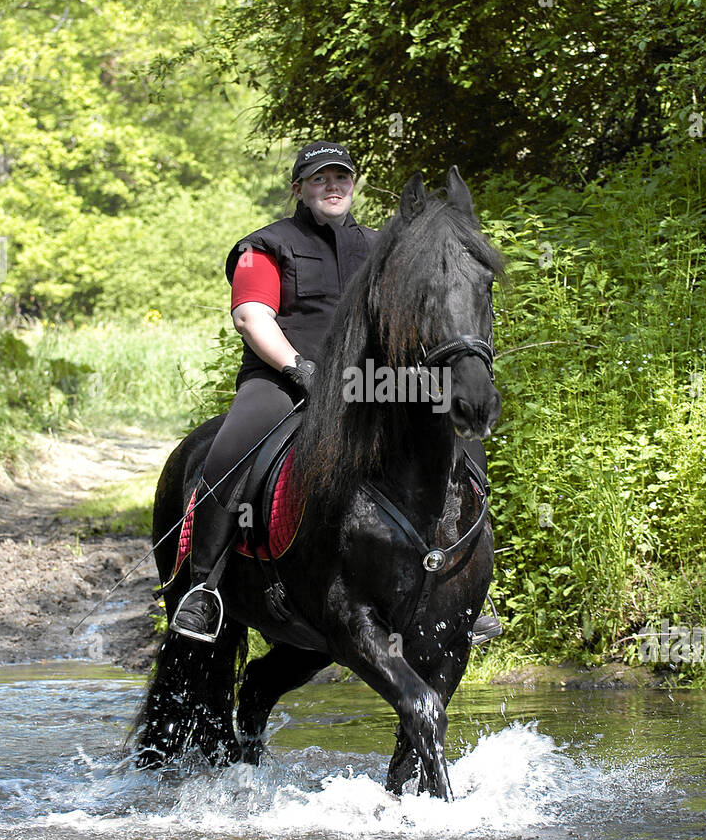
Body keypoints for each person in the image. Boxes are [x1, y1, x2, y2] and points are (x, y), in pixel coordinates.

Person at [170, 140, 501, 647]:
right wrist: (298, 368)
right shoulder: (265, 245)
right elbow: (250, 317)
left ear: (352, 185)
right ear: (299, 188)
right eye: (320, 178)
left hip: (371, 386)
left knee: (458, 441)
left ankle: (464, 582)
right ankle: (204, 586)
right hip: (284, 380)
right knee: (235, 448)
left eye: (341, 177)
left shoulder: (382, 245)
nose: (332, 186)